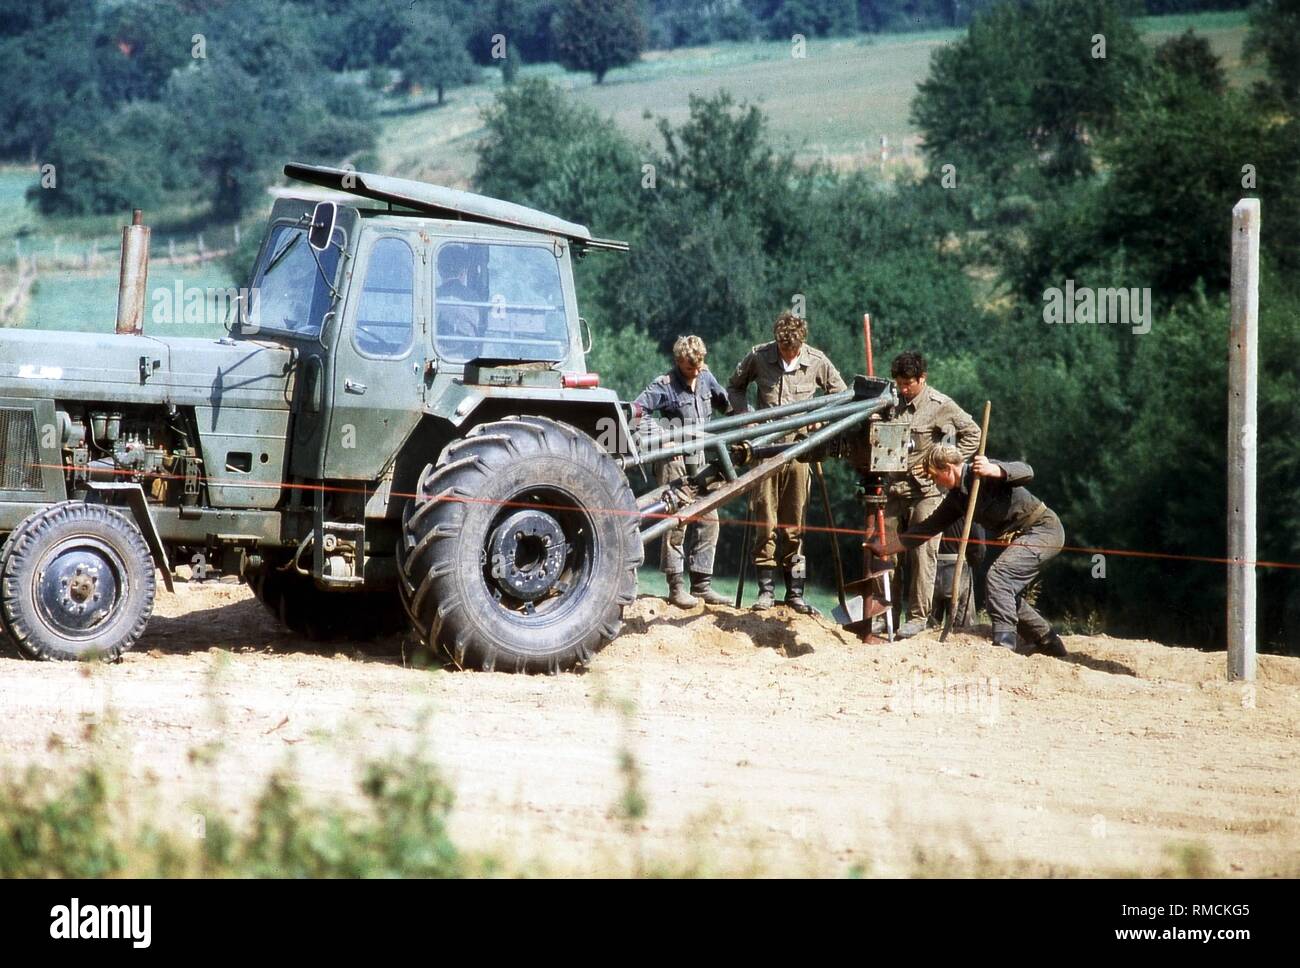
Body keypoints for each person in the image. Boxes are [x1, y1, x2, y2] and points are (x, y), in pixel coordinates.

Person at [866, 444, 1068, 657]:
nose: (935, 483)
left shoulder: (981, 471)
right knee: (1003, 594)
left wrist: (994, 470)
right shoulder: (956, 499)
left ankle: (1004, 645)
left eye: (935, 477)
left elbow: (1027, 471)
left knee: (999, 577)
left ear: (947, 469)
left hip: (1043, 530)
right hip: (1026, 536)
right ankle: (1047, 640)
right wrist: (885, 549)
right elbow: (925, 529)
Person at [727, 312, 847, 614]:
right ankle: (766, 591)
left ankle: (795, 593)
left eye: (792, 349)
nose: (787, 353)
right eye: (782, 348)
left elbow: (843, 395)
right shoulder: (759, 355)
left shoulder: (817, 361)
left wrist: (823, 423)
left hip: (800, 450)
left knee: (795, 524)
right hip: (765, 450)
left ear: (801, 343)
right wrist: (746, 421)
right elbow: (735, 387)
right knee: (763, 520)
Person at [632, 335, 732, 608]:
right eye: (690, 368)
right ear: (678, 363)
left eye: (700, 365)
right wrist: (664, 438)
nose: (696, 371)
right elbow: (634, 413)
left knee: (710, 518)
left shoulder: (706, 377)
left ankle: (702, 585)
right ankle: (676, 586)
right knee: (677, 521)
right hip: (673, 461)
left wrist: (746, 417)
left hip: (700, 458)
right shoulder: (664, 385)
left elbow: (727, 404)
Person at [886, 351, 981, 638]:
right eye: (899, 383)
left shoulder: (940, 405)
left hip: (926, 492)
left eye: (908, 384)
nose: (903, 389)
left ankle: (917, 617)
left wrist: (947, 462)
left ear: (922, 379)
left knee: (921, 554)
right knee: (886, 551)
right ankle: (884, 613)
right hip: (893, 489)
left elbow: (973, 433)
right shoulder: (888, 400)